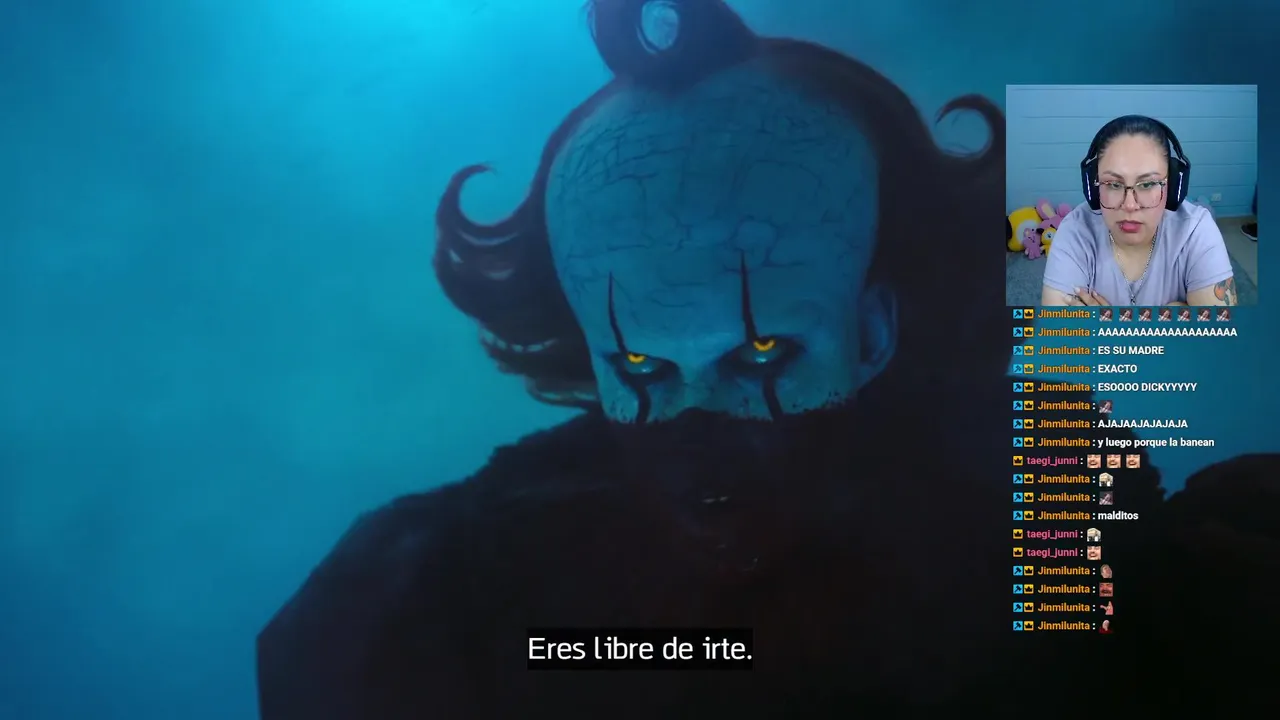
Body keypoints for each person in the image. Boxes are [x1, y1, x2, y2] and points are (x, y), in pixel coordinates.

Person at [256, 2, 1280, 717]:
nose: (701, 431)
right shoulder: (443, 593)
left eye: (760, 350)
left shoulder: (1054, 494)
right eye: (642, 368)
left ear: (873, 330)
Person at [1040, 115, 1237, 307]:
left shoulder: (1196, 231)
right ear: (1093, 187)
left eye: (1147, 184)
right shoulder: (1075, 231)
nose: (1130, 205)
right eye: (1113, 184)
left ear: (1172, 187)